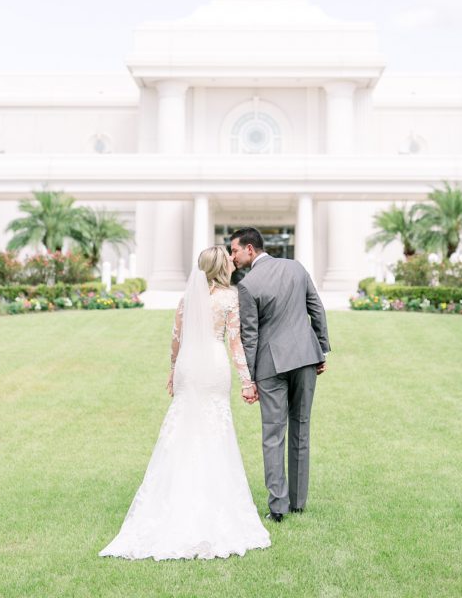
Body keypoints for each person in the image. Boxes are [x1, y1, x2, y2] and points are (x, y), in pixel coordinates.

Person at [99, 245, 271, 561]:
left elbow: (175, 339)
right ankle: (213, 502)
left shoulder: (187, 299)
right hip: (214, 364)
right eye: (228, 260)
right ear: (221, 267)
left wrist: (172, 370)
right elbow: (236, 344)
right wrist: (247, 381)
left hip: (188, 366)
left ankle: (176, 495)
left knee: (183, 428)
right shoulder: (229, 298)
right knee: (215, 429)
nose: (233, 262)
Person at [231, 227, 330, 522]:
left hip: (270, 365)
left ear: (250, 249)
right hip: (306, 357)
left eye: (234, 250)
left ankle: (278, 507)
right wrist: (321, 350)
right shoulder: (297, 268)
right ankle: (298, 501)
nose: (232, 256)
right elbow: (317, 309)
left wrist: (250, 378)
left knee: (273, 434)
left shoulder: (247, 285)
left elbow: (250, 336)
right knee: (301, 427)